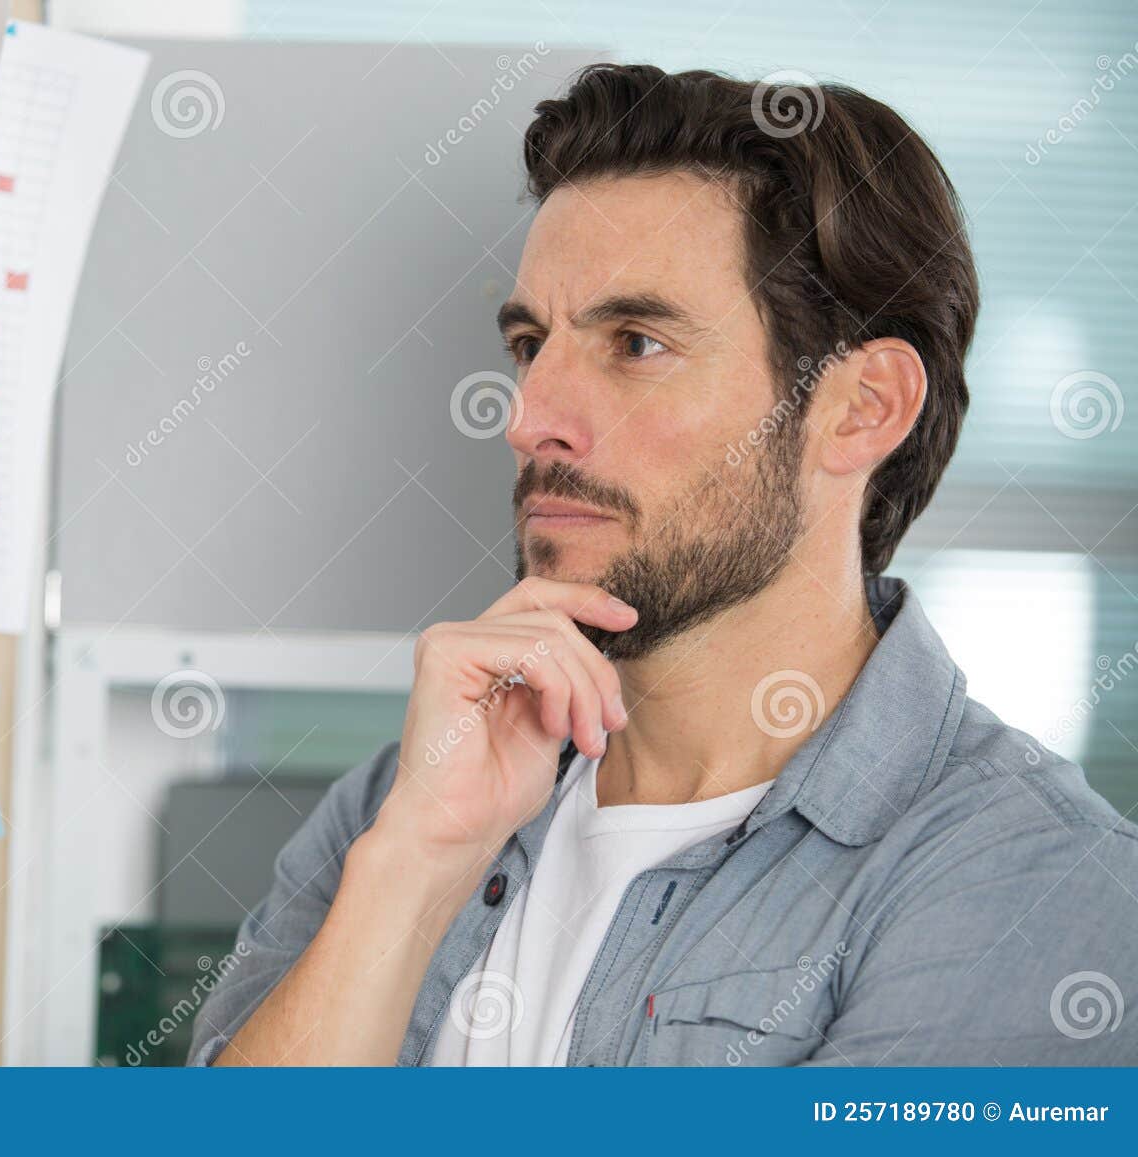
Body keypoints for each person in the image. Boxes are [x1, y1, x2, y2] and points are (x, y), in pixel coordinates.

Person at [188, 63, 1138, 1066]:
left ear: (860, 408)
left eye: (635, 342)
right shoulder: (400, 802)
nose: (527, 419)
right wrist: (414, 866)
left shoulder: (1026, 884)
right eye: (529, 343)